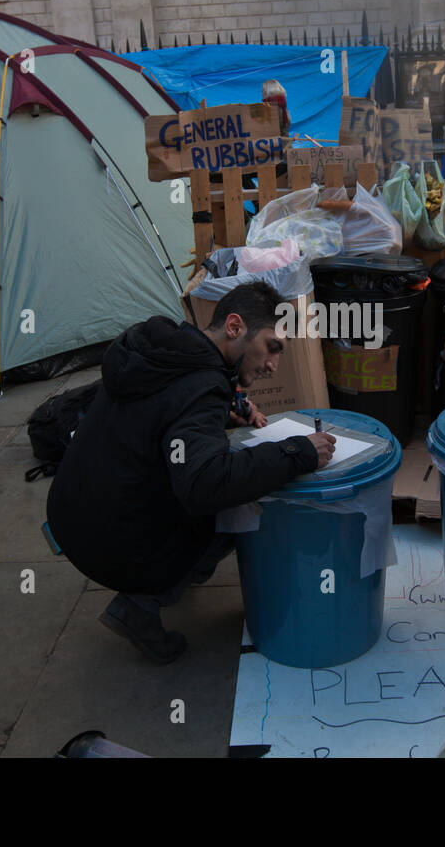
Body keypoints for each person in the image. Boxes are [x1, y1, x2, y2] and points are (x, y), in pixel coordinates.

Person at [46, 283, 337, 663]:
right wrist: (295, 452)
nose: (272, 365)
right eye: (271, 347)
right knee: (244, 507)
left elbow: (167, 409)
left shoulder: (160, 350)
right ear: (234, 326)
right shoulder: (200, 389)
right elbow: (205, 485)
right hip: (111, 545)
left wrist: (228, 404)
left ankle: (152, 577)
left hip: (71, 515)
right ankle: (140, 604)